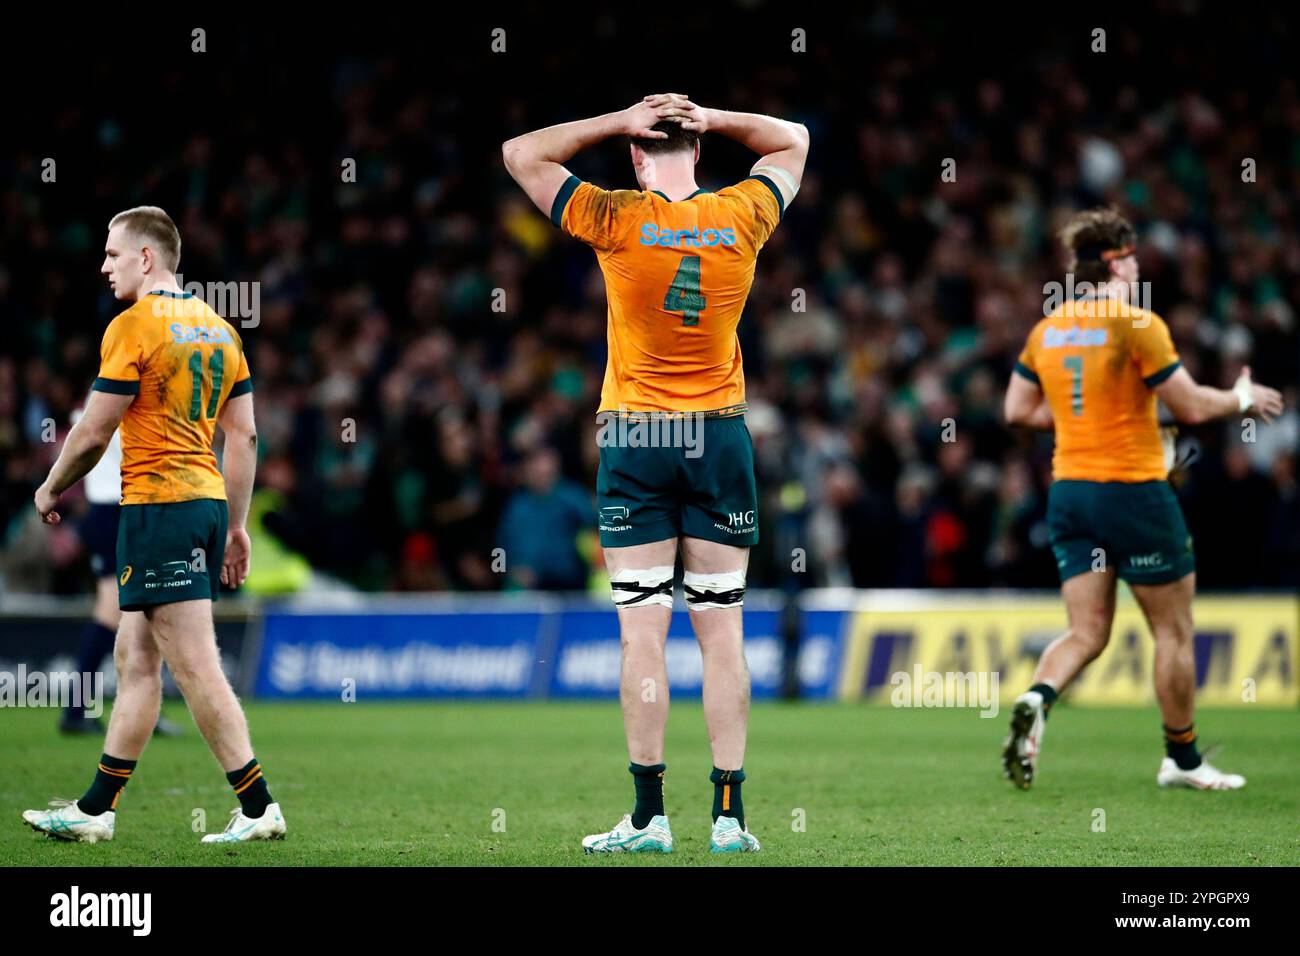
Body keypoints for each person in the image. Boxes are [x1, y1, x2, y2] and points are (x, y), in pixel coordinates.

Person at [504, 94, 808, 851]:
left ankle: (648, 818)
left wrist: (612, 120)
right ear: (699, 153)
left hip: (638, 435)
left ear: (639, 156)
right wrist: (712, 113)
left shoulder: (615, 218)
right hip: (721, 436)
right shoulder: (743, 213)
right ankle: (731, 819)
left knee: (643, 633)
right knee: (722, 630)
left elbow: (521, 153)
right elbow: (794, 140)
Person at [22, 206, 285, 843]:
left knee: (193, 665)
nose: (104, 265)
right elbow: (244, 436)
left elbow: (92, 431)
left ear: (147, 258)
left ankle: (259, 808)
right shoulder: (221, 328)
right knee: (134, 656)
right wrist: (237, 525)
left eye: (113, 254)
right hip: (202, 506)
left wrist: (52, 485)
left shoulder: (132, 326)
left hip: (158, 507)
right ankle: (95, 810)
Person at [1002, 207, 1284, 791]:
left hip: (1070, 494)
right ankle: (1181, 760)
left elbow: (1016, 412)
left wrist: (1087, 418)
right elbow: (1191, 407)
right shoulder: (1137, 324)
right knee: (1174, 631)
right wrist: (1239, 397)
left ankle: (1037, 697)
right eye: (1131, 257)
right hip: (1133, 491)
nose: (1137, 266)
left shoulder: (1047, 329)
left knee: (1087, 632)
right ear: (1114, 263)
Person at [61, 405, 182, 737]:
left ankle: (139, 709)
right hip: (120, 508)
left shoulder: (109, 387)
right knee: (114, 611)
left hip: (118, 507)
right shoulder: (122, 388)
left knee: (142, 612)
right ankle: (76, 709)